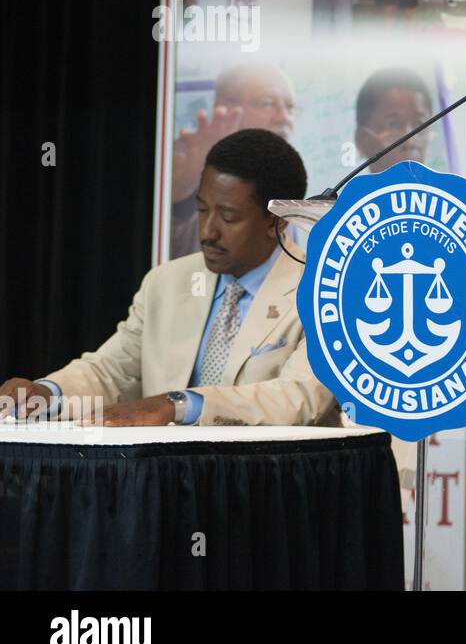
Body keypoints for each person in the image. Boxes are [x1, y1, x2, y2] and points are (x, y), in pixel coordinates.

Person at [0, 130, 339, 428]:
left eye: (229, 217)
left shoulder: (323, 291)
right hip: (166, 485)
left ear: (277, 223)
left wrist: (178, 405)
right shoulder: (167, 282)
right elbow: (111, 370)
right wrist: (46, 391)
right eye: (202, 209)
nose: (207, 232)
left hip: (271, 486)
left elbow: (298, 398)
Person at [171, 62, 297, 257]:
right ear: (225, 107)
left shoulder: (283, 182)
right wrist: (181, 192)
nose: (284, 118)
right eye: (267, 104)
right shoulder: (188, 165)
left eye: (289, 107)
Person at [354, 67, 434, 172]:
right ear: (363, 141)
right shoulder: (352, 189)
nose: (409, 142)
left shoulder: (447, 188)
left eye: (419, 124)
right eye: (394, 125)